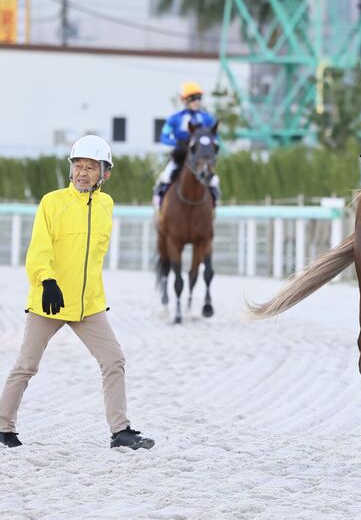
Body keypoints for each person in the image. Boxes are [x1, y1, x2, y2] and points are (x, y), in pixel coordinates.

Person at [0, 136, 154, 450]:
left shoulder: (106, 205)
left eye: (90, 168)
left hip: (89, 305)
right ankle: (3, 427)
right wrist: (47, 281)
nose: (82, 173)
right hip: (50, 300)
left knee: (114, 361)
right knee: (27, 365)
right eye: (78, 166)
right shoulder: (51, 202)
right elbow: (39, 248)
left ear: (105, 174)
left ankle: (121, 431)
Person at [153, 81, 219, 208]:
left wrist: (213, 144)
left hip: (200, 156)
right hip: (180, 154)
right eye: (193, 98)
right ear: (184, 100)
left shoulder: (207, 118)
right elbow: (164, 136)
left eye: (199, 98)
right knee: (166, 176)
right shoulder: (175, 118)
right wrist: (176, 142)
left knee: (214, 180)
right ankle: (159, 201)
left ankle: (214, 202)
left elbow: (215, 136)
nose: (197, 101)